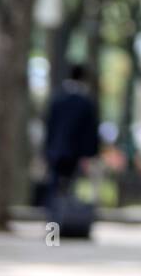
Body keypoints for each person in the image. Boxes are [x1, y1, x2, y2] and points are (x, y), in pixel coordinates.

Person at [43, 64, 100, 205]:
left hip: (56, 150)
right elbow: (90, 130)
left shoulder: (57, 98)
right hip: (75, 152)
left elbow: (49, 125)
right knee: (70, 183)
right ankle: (66, 214)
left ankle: (53, 217)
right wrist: (92, 153)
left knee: (55, 184)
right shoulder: (86, 102)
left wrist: (46, 150)